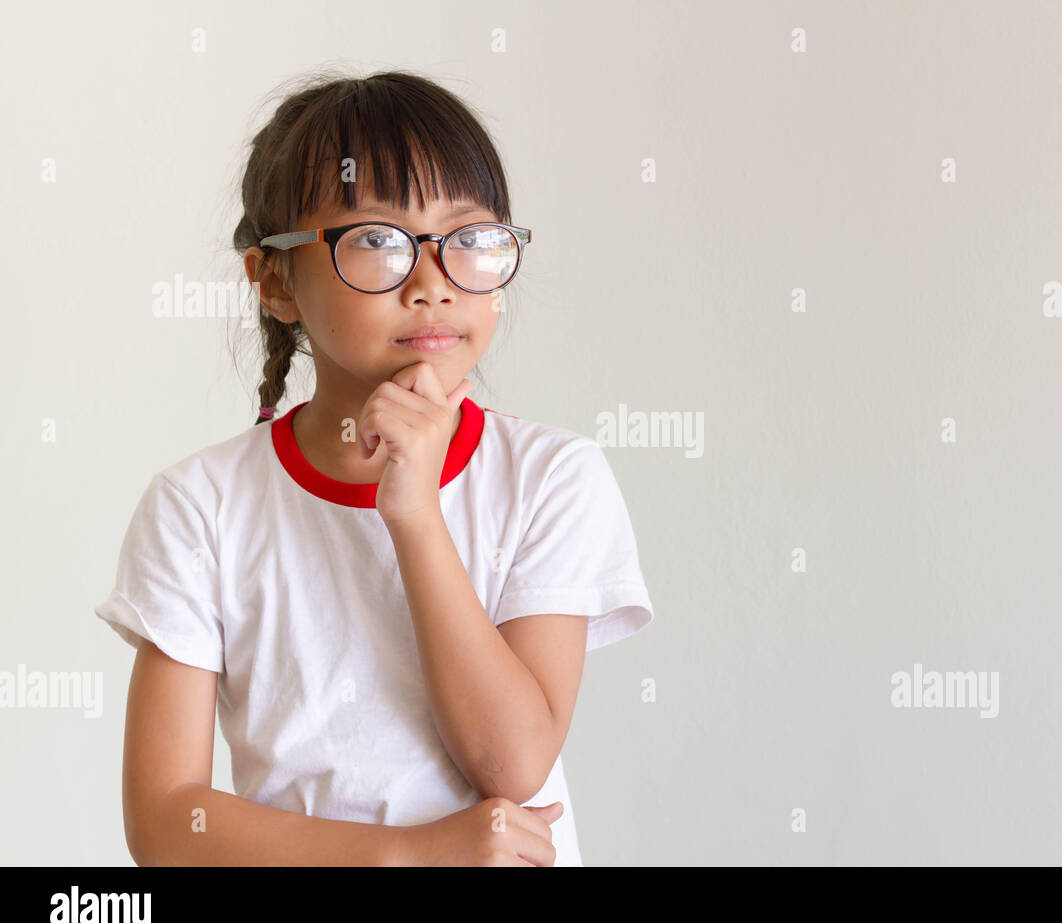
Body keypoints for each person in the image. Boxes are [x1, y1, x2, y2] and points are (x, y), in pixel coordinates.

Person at [93, 69, 654, 867]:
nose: (433, 283)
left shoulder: (552, 478)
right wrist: (408, 856)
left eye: (469, 240)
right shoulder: (199, 505)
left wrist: (415, 512)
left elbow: (512, 762)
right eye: (378, 241)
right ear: (276, 280)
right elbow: (165, 822)